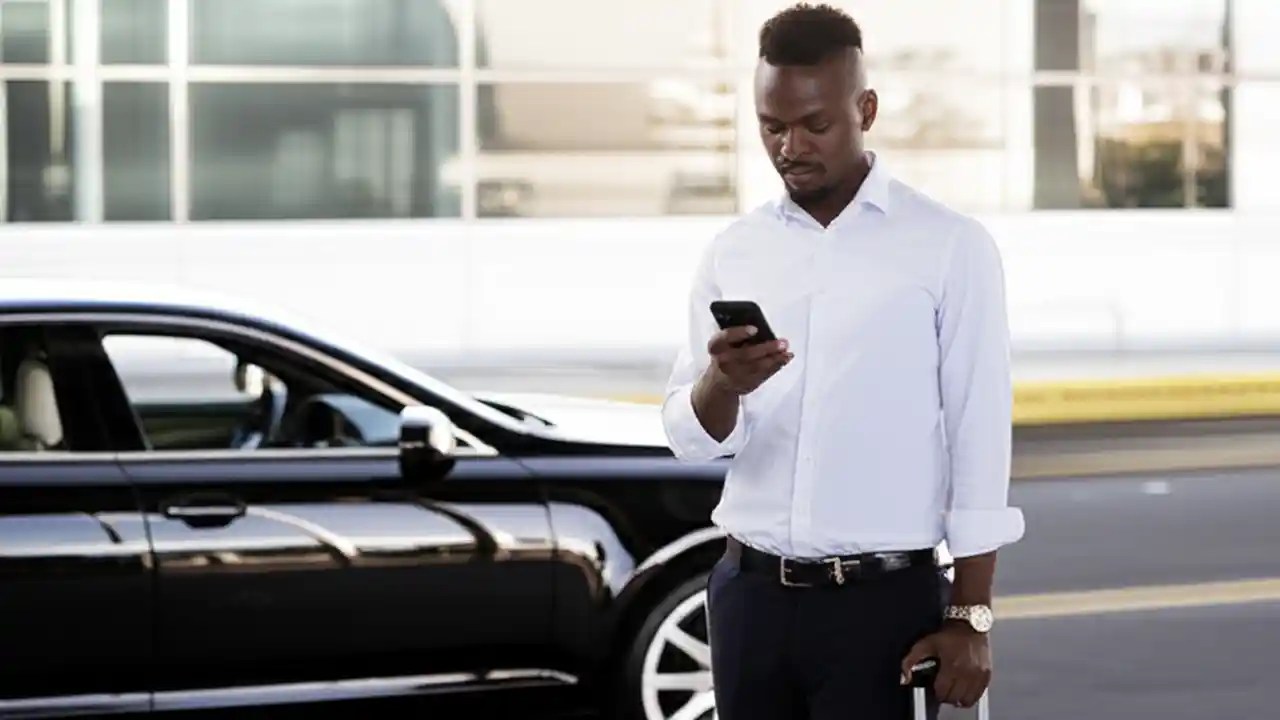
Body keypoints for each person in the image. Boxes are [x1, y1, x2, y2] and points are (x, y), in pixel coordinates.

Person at [660, 4, 1026, 719]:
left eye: (815, 125)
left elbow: (979, 436)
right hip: (748, 599)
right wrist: (721, 384)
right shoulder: (735, 251)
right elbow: (690, 437)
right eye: (772, 126)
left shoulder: (949, 247)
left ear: (866, 110)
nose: (790, 146)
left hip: (882, 611)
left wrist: (970, 616)